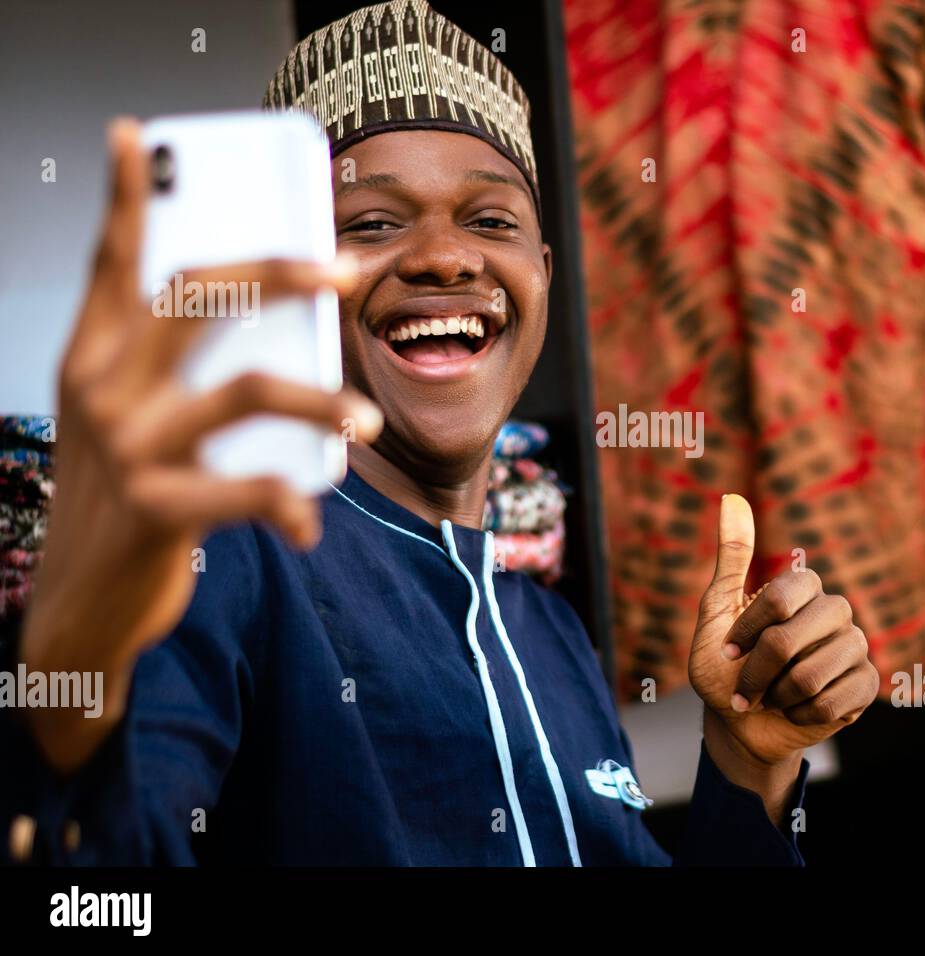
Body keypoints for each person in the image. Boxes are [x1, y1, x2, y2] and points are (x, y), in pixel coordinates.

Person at [1, 2, 877, 866]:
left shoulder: (552, 632)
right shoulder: (225, 557)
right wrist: (73, 674)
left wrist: (748, 761)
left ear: (542, 272)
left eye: (490, 220)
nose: (444, 258)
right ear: (303, 272)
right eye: (373, 224)